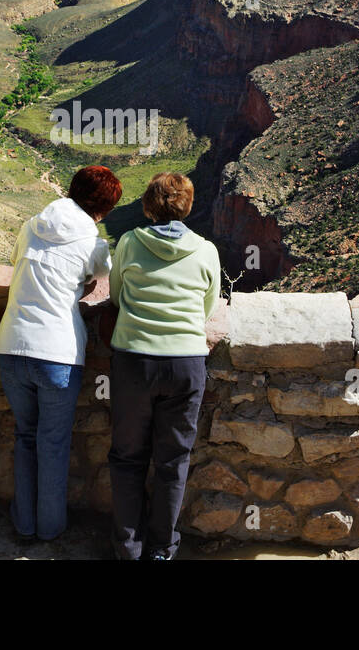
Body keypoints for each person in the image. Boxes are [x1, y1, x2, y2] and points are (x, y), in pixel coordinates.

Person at [0, 166, 123, 542]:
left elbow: (22, 266)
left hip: (11, 346)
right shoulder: (93, 242)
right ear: (104, 209)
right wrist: (76, 289)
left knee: (25, 437)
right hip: (58, 352)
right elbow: (106, 281)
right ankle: (48, 530)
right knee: (52, 445)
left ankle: (24, 523)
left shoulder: (30, 225)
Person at [107, 172, 220, 560]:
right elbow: (207, 308)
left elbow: (117, 297)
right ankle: (162, 548)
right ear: (187, 206)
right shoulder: (206, 251)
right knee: (173, 460)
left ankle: (128, 548)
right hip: (186, 363)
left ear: (148, 205)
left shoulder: (128, 242)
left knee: (127, 457)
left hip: (134, 360)